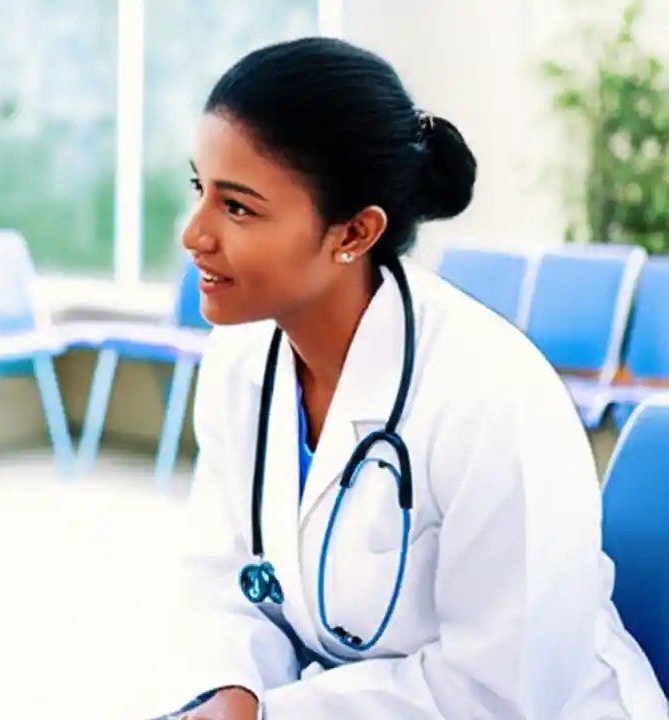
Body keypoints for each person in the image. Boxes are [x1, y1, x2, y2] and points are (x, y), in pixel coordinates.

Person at [161, 37, 668, 719]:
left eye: (238, 207)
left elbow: (498, 692)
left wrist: (270, 716)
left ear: (354, 232)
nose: (194, 233)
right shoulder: (242, 359)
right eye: (200, 189)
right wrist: (233, 693)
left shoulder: (491, 398)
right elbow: (225, 581)